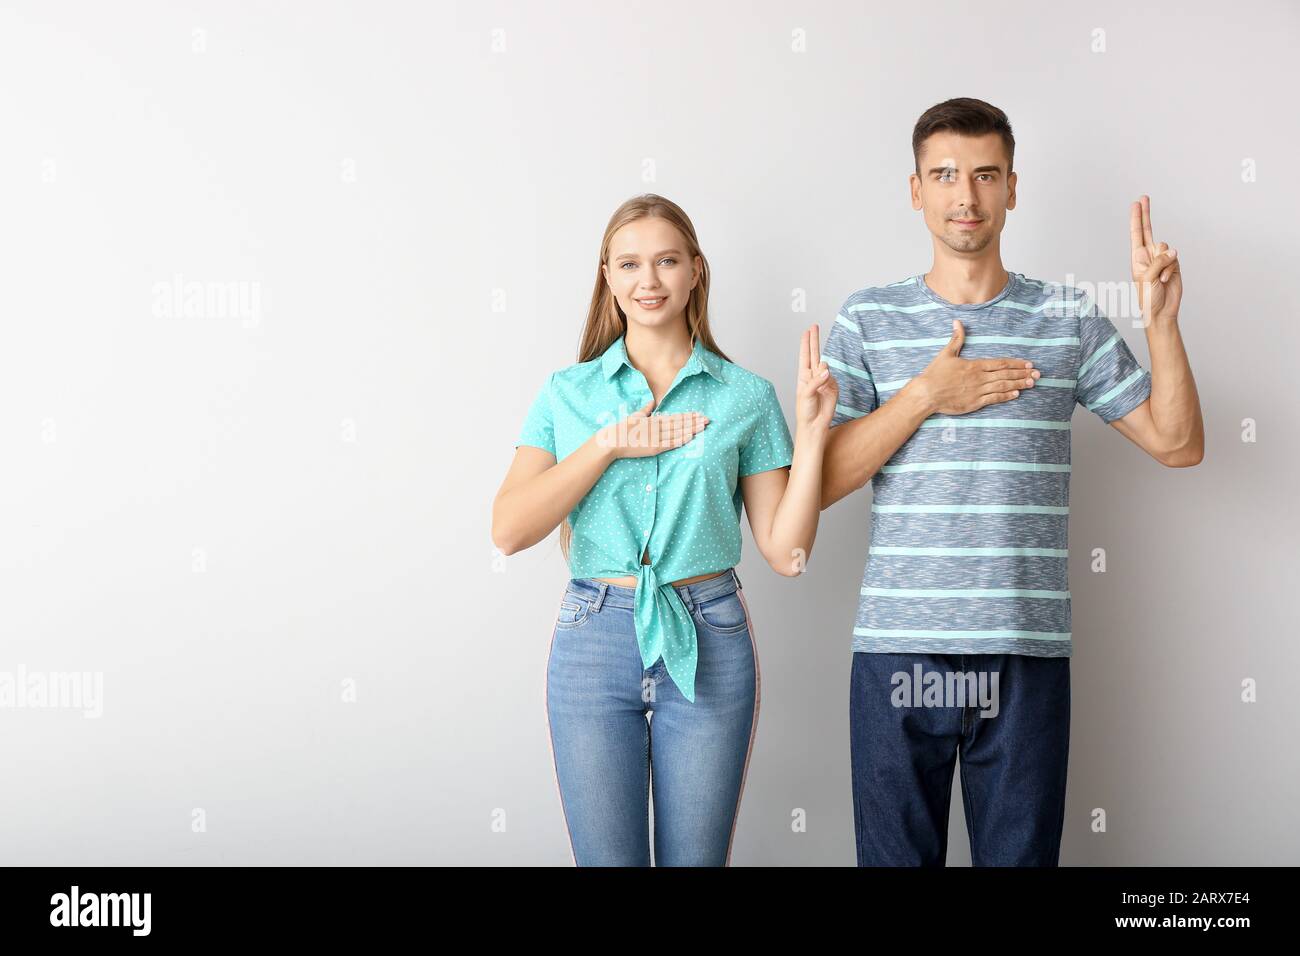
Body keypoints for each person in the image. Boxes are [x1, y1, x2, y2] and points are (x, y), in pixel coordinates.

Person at [819, 97, 1204, 866]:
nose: (966, 197)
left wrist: (1160, 321)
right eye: (946, 176)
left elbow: (1177, 443)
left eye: (986, 175)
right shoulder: (868, 318)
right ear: (915, 189)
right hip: (902, 652)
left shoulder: (1068, 318)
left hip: (1024, 654)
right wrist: (925, 394)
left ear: (1013, 187)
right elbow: (820, 479)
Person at [492, 193, 837, 865]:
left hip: (707, 631)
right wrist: (608, 447)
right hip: (594, 637)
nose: (648, 281)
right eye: (629, 264)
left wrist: (816, 435)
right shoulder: (567, 394)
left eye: (666, 261)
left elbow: (787, 554)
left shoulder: (746, 397)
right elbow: (507, 530)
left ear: (695, 271)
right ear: (607, 276)